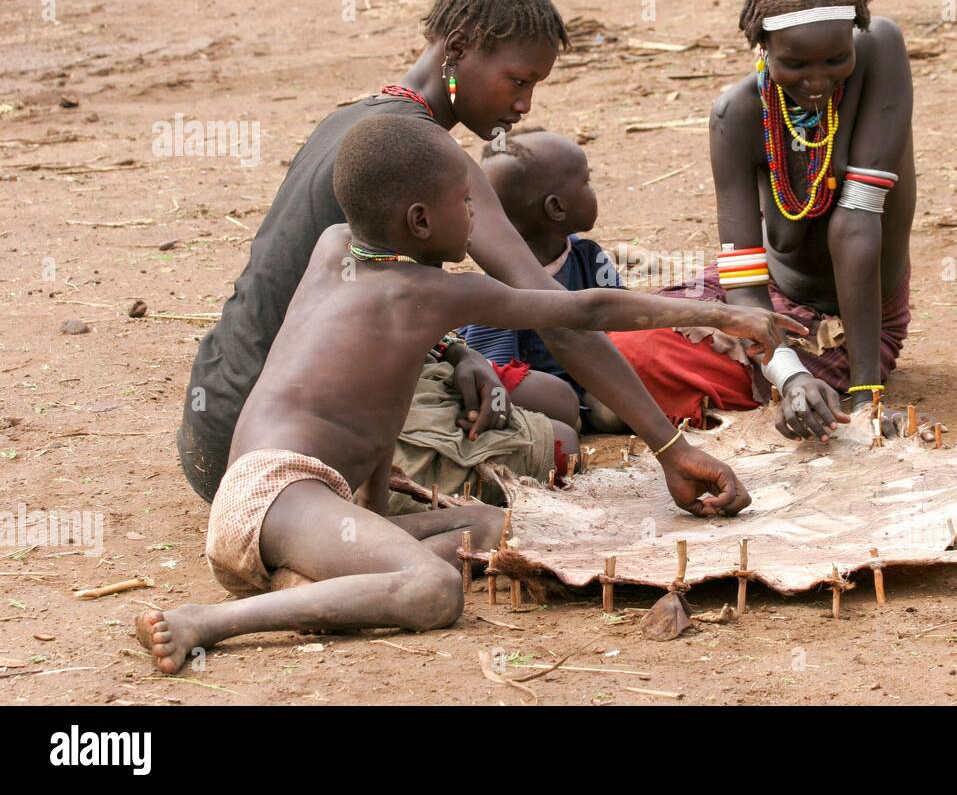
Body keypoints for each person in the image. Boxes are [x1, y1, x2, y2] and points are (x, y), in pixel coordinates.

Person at [137, 115, 803, 674]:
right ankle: (209, 622)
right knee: (435, 590)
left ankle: (319, 584)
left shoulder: (335, 244)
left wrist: (451, 359)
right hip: (278, 497)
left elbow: (368, 401)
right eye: (467, 202)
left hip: (290, 501)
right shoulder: (429, 293)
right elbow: (582, 308)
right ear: (421, 220)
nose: (477, 215)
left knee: (495, 529)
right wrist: (725, 316)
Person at [178, 0, 755, 517]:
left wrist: (450, 349)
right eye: (518, 80)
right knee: (554, 442)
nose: (524, 104)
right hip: (272, 461)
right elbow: (559, 315)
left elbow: (335, 292)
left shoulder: (351, 125)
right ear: (457, 49)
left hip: (221, 414)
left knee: (540, 400)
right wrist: (669, 448)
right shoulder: (432, 160)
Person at [609, 0, 917, 441]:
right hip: (757, 303)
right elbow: (743, 276)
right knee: (613, 341)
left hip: (847, 323)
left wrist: (866, 399)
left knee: (636, 372)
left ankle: (581, 404)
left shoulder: (880, 50)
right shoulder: (737, 116)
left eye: (837, 59)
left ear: (854, 36)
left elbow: (855, 224)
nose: (817, 81)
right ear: (762, 47)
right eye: (794, 64)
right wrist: (791, 376)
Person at [460, 127, 626, 431]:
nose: (593, 190)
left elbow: (621, 313)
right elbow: (495, 368)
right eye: (586, 183)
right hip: (541, 389)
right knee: (567, 418)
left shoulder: (587, 254)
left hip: (590, 377)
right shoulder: (500, 286)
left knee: (611, 413)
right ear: (556, 208)